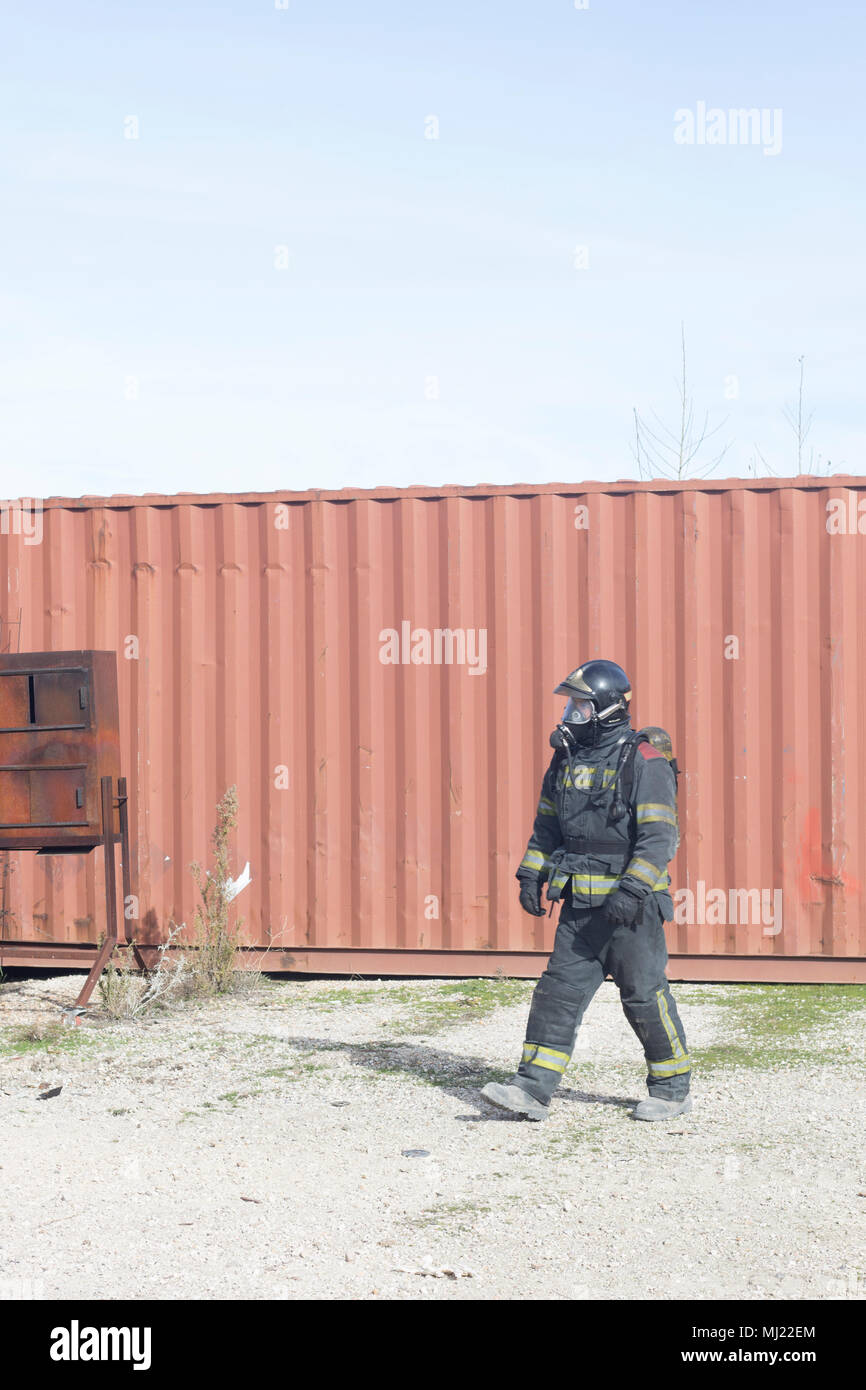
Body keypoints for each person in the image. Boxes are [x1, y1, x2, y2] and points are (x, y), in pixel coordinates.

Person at [480, 659, 691, 1122]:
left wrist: (632, 890)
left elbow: (659, 838)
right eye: (571, 705)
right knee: (557, 992)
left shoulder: (645, 762)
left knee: (643, 995)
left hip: (631, 911)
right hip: (579, 906)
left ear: (608, 708)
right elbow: (547, 826)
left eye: (581, 705)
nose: (571, 714)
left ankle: (672, 1088)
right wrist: (530, 874)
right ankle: (531, 1090)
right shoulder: (566, 759)